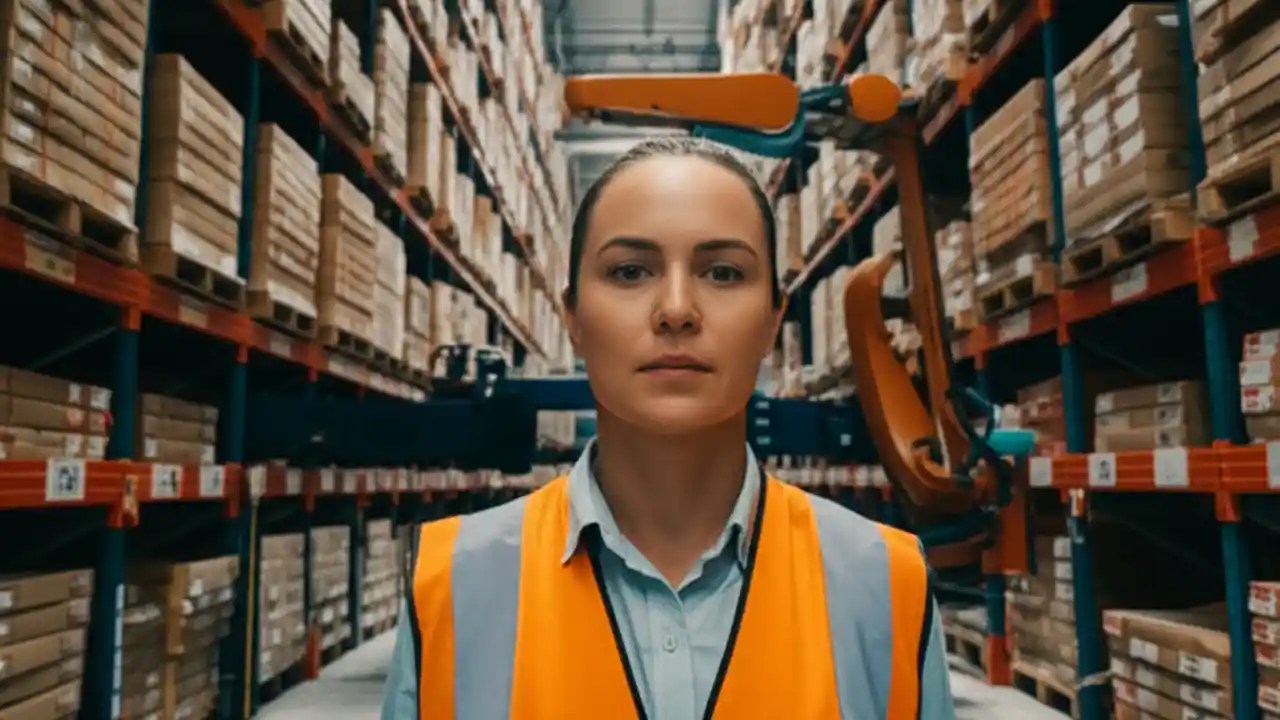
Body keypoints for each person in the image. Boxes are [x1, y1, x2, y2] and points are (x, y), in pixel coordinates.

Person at [381, 136, 955, 719]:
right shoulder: (452, 586)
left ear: (772, 321)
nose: (677, 309)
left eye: (724, 272)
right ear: (572, 317)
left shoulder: (886, 585)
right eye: (630, 271)